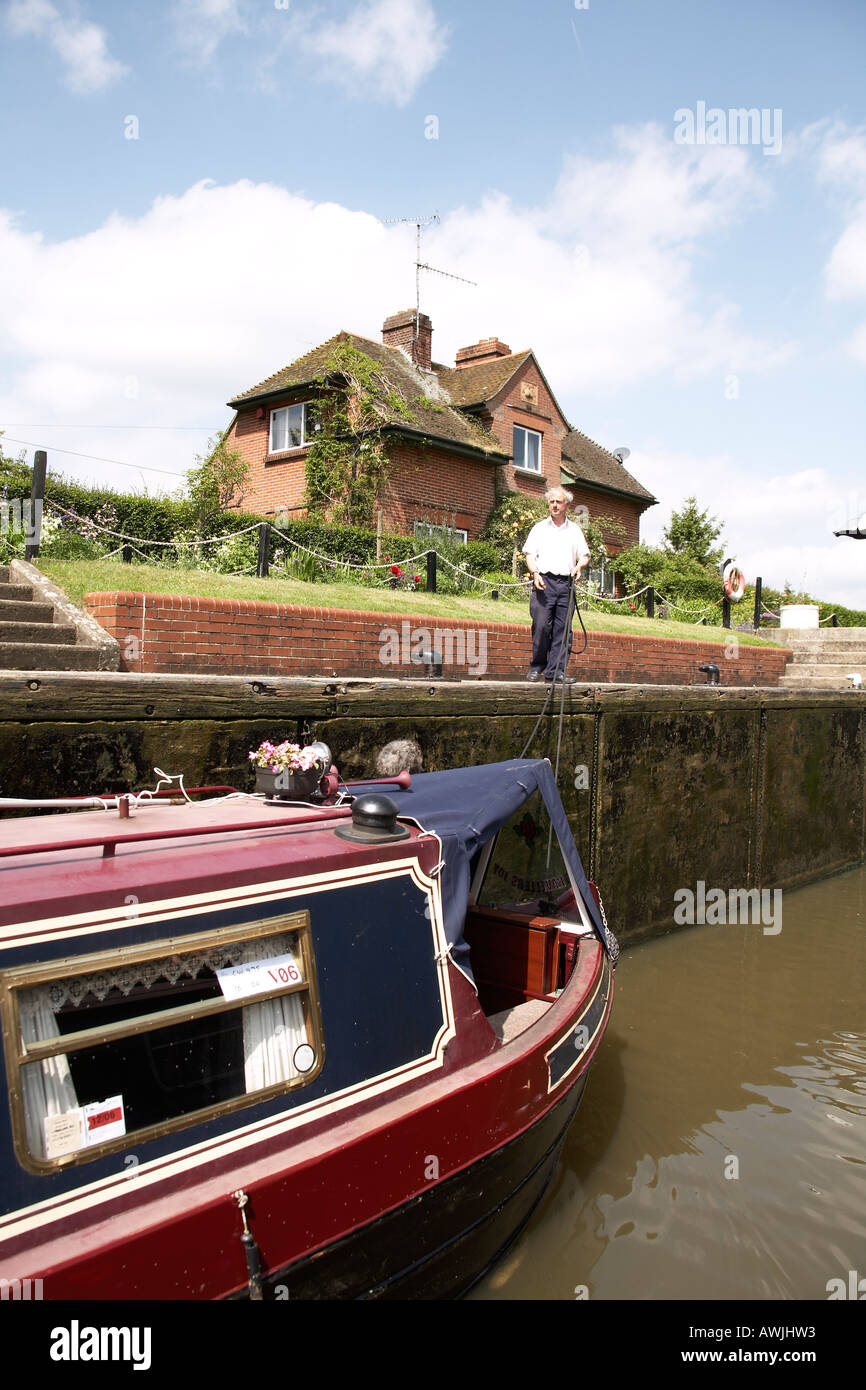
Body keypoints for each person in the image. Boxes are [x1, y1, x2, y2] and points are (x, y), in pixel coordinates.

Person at [522, 488, 590, 683]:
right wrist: (535, 573)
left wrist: (579, 566)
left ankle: (556, 672)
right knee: (541, 626)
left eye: (558, 502)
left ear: (567, 505)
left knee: (563, 629)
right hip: (544, 582)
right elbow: (529, 555)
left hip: (565, 584)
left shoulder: (575, 530)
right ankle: (537, 666)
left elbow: (584, 555)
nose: (554, 505)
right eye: (551, 501)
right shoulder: (539, 528)